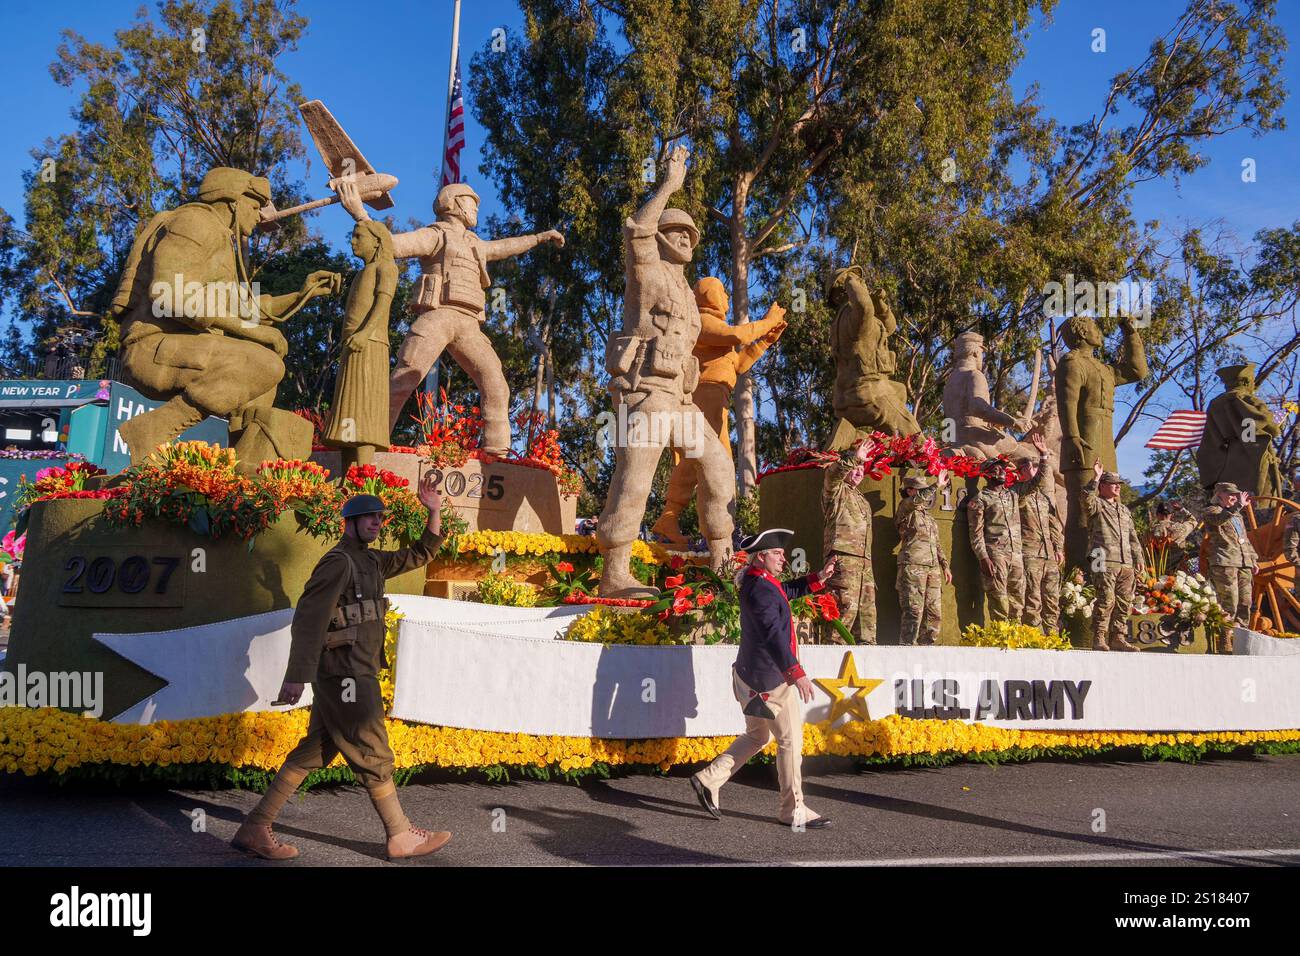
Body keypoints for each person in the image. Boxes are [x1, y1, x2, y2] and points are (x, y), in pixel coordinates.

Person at [231, 473, 451, 861]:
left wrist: (433, 510)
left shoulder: (371, 561)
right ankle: (400, 835)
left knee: (313, 752)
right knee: (372, 747)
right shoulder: (338, 562)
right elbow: (309, 619)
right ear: (348, 522)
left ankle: (254, 827)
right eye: (368, 517)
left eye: (379, 519)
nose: (376, 523)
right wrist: (296, 677)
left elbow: (419, 554)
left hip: (355, 669)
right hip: (346, 673)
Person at [594, 146, 736, 597]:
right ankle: (615, 571)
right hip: (647, 391)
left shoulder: (688, 295)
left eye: (692, 235)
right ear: (661, 237)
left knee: (717, 467)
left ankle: (723, 558)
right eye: (676, 231)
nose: (686, 239)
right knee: (637, 476)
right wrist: (670, 185)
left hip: (681, 399)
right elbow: (635, 228)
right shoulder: (647, 275)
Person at [337, 178, 564, 453]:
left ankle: (496, 453)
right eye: (471, 201)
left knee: (496, 384)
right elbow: (391, 246)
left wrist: (539, 238)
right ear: (452, 203)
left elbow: (505, 246)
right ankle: (370, 444)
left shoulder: (476, 243)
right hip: (437, 317)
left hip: (469, 325)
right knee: (405, 378)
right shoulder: (436, 234)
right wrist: (360, 213)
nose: (476, 208)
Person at [690, 528, 836, 829]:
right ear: (761, 557)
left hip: (749, 677)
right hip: (771, 682)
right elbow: (773, 637)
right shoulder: (761, 590)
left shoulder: (761, 583)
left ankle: (710, 778)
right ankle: (792, 810)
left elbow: (787, 592)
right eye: (778, 554)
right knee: (790, 742)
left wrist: (818, 578)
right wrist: (797, 674)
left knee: (758, 736)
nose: (783, 558)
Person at [650, 277, 785, 546]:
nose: (726, 298)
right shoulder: (701, 322)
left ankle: (703, 526)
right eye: (722, 292)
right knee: (706, 459)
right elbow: (737, 335)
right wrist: (767, 321)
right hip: (705, 395)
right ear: (709, 294)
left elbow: (739, 363)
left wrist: (767, 340)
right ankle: (696, 523)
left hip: (718, 399)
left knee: (714, 464)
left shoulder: (717, 330)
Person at [322, 221, 398, 470]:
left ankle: (363, 474)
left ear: (377, 241)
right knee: (348, 412)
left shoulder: (387, 267)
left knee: (365, 410)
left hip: (371, 344)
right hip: (351, 344)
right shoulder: (360, 273)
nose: (352, 242)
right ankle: (347, 476)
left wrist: (365, 333)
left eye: (358, 237)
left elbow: (382, 304)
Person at [966, 433, 1052, 622]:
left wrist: (1044, 456)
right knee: (999, 601)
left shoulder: (1013, 494)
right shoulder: (980, 500)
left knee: (1017, 602)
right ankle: (1001, 639)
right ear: (987, 474)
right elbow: (976, 533)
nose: (1002, 472)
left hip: (1016, 555)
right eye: (997, 469)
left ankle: (1015, 640)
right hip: (996, 554)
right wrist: (983, 557)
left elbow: (1037, 482)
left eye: (1004, 469)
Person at [1082, 462, 1144, 651]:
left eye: (1119, 484)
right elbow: (1086, 499)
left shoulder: (1123, 510)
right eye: (1113, 483)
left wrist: (1138, 558)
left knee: (1125, 600)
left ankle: (1118, 637)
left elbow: (1133, 536)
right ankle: (1099, 636)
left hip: (1125, 561)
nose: (1118, 487)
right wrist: (1095, 477)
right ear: (1103, 486)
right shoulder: (1097, 504)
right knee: (1106, 599)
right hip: (1102, 558)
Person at [820, 438, 876, 644]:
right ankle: (832, 664)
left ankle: (868, 666)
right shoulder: (835, 491)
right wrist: (854, 458)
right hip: (843, 561)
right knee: (843, 613)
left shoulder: (862, 500)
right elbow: (832, 475)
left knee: (867, 619)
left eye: (863, 468)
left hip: (864, 564)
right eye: (856, 468)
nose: (860, 472)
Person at [895, 471, 952, 646]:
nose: (925, 494)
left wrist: (945, 566)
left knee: (934, 613)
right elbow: (916, 501)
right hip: (913, 566)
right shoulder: (906, 507)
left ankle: (926, 648)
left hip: (932, 568)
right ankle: (907, 648)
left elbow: (936, 543)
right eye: (920, 490)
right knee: (914, 610)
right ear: (911, 491)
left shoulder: (928, 517)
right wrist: (936, 486)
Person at [1202, 481, 1259, 652]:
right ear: (1219, 495)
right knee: (1229, 602)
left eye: (1236, 495)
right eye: (1231, 494)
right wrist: (1238, 507)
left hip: (1243, 563)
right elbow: (1219, 521)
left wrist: (1253, 559)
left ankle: (1241, 637)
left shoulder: (1237, 516)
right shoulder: (1211, 511)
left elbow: (1244, 539)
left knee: (1245, 601)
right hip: (1225, 562)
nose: (1235, 497)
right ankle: (1225, 638)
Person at [1017, 443, 1065, 633]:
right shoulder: (1018, 492)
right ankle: (1033, 636)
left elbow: (1053, 525)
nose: (1036, 470)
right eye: (1031, 467)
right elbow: (1038, 480)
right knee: (1033, 599)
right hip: (1030, 554)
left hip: (1049, 555)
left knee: (1052, 599)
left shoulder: (1043, 498)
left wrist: (1058, 548)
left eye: (1037, 466)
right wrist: (1044, 457)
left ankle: (1052, 635)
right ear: (1021, 472)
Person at [1146, 501, 1199, 572]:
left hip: (1153, 572)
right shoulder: (1182, 528)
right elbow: (1193, 521)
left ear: (1157, 514)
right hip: (1175, 573)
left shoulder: (1149, 531)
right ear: (1172, 515)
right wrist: (1182, 509)